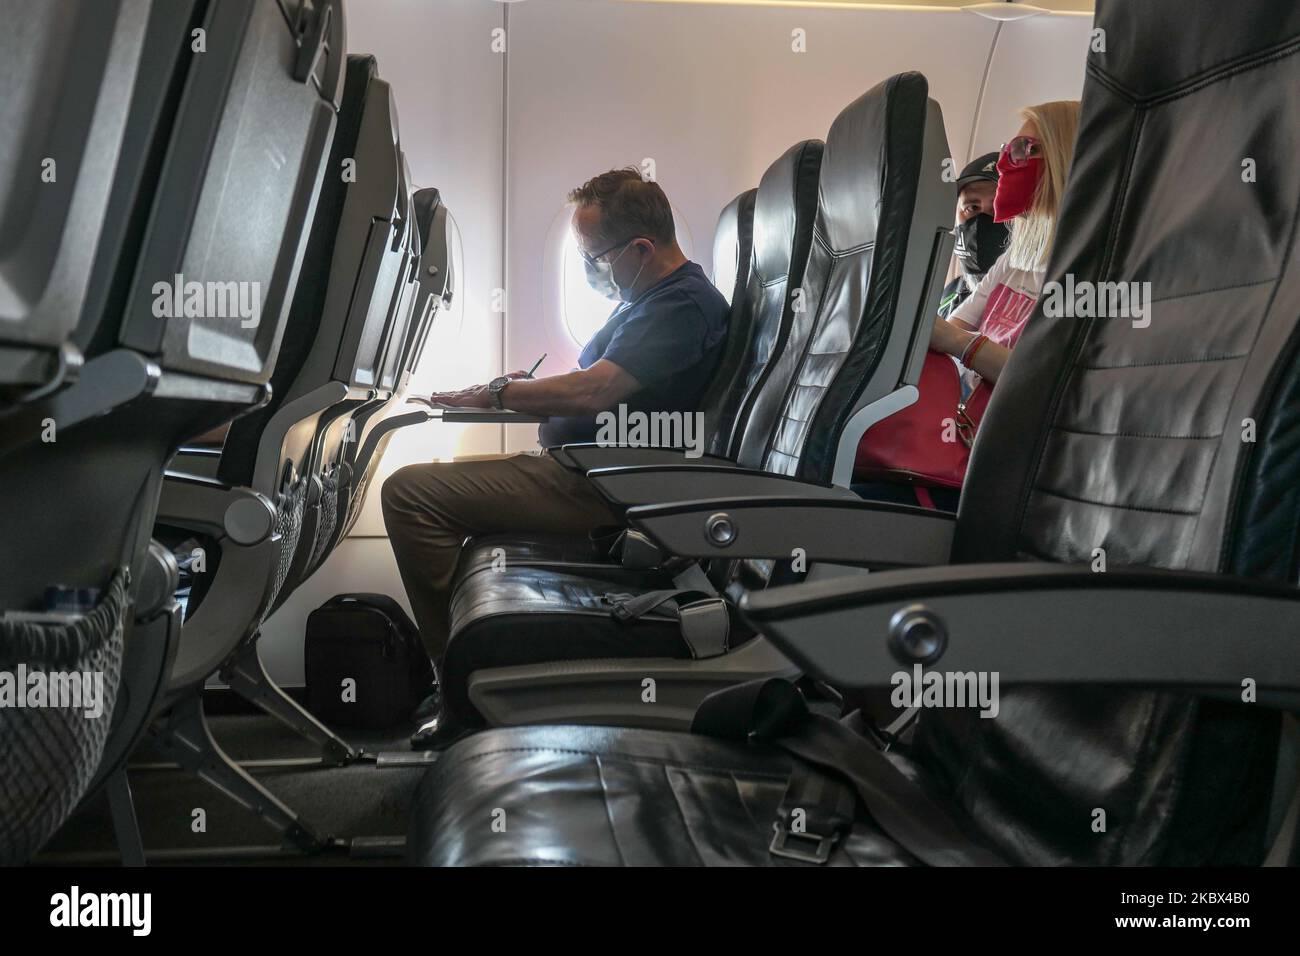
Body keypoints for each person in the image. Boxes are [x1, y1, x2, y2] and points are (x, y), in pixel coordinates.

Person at [382, 168, 729, 744]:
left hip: (611, 485)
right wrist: (512, 390)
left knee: (411, 495)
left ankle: (461, 691)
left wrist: (498, 394)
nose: (591, 269)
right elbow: (596, 384)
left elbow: (595, 391)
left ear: (641, 249)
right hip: (584, 471)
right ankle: (470, 677)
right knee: (429, 495)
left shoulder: (683, 305)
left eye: (594, 257)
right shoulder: (646, 299)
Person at [853, 100, 1080, 511]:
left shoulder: (1086, 276)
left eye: (1022, 150)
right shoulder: (1016, 259)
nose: (1008, 162)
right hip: (967, 436)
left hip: (1004, 465)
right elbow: (955, 326)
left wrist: (959, 343)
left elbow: (1043, 380)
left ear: (1064, 160)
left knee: (861, 507)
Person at [936, 151, 1007, 321]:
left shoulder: (1027, 295)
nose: (983, 220)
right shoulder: (950, 292)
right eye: (972, 208)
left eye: (999, 207)